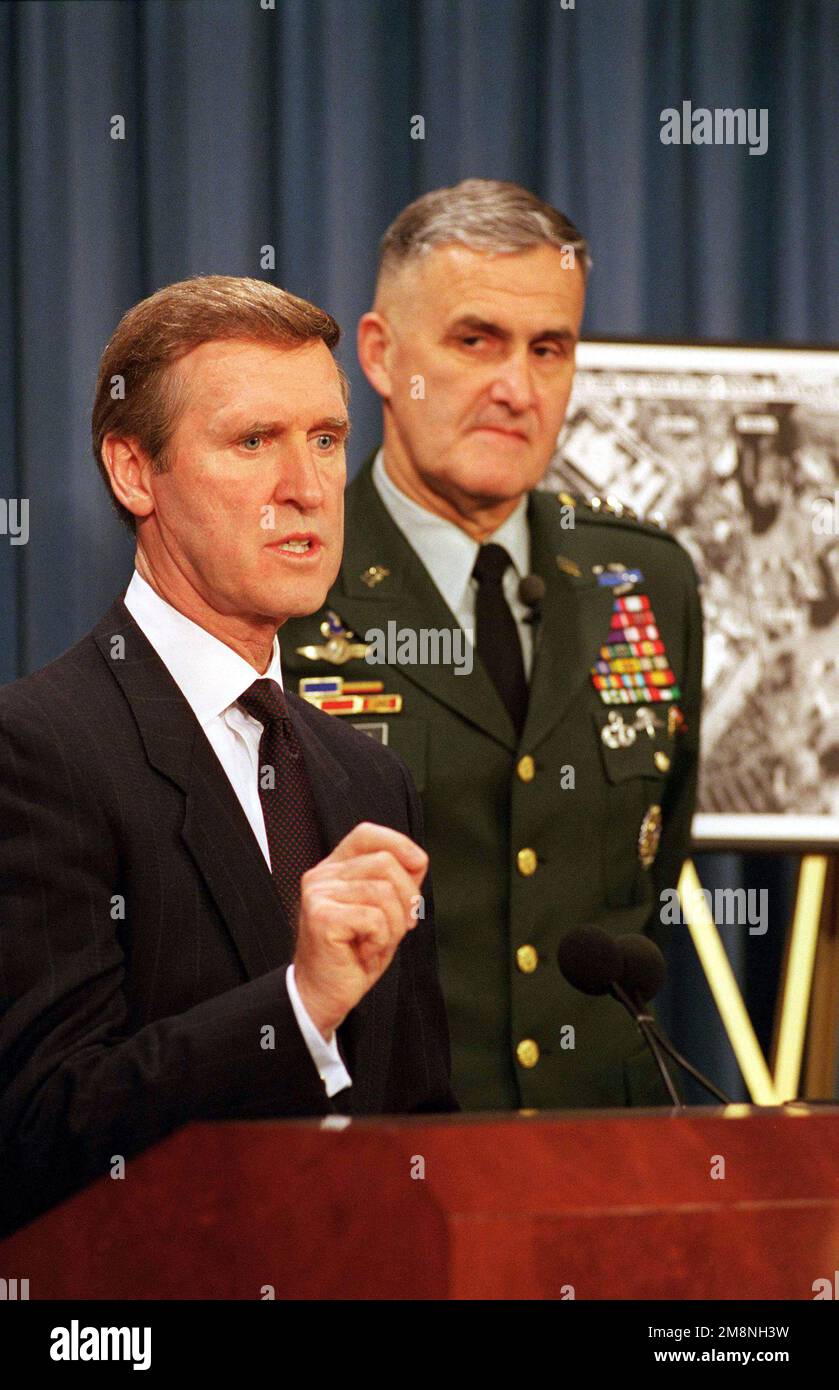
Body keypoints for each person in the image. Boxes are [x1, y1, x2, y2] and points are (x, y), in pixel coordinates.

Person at [0, 275, 454, 1237]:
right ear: (134, 472)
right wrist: (296, 1008)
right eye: (254, 442)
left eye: (325, 440)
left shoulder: (370, 779)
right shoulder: (37, 752)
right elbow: (38, 1134)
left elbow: (418, 1130)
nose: (306, 486)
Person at [281, 180, 704, 1111]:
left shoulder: (646, 578)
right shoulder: (288, 586)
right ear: (383, 357)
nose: (516, 387)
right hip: (381, 1158)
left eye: (547, 349)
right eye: (475, 342)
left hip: (606, 1158)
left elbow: (653, 859)